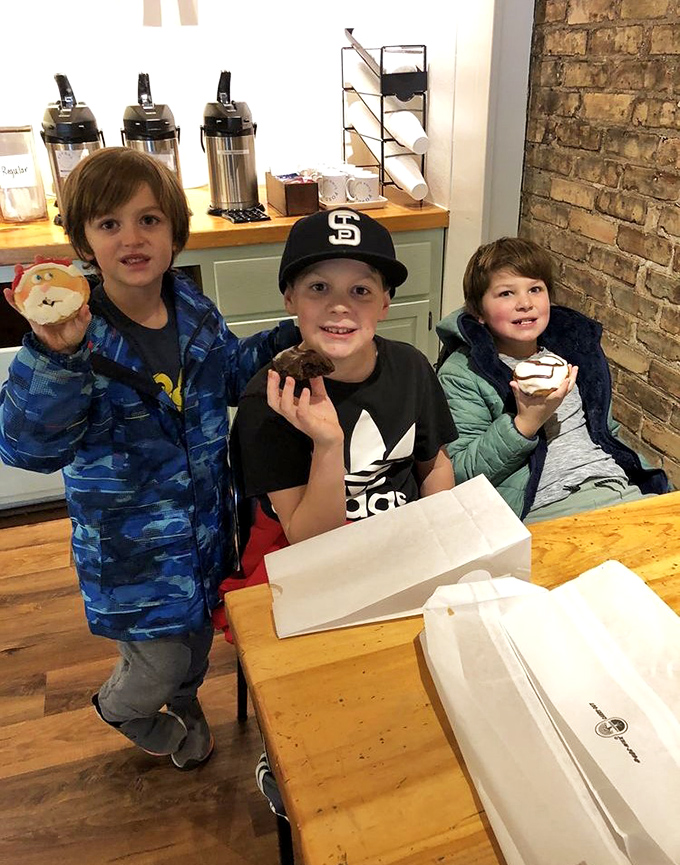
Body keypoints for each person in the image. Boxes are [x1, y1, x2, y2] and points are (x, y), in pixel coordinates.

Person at [0, 147, 300, 768]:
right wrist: (56, 359)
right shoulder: (72, 336)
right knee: (155, 665)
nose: (131, 238)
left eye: (149, 220)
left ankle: (185, 702)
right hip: (131, 556)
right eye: (109, 223)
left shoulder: (193, 310)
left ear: (174, 233)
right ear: (84, 240)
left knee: (194, 649)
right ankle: (124, 709)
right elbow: (27, 446)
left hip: (206, 535)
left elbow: (229, 374)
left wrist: (293, 334)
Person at [219, 207, 456, 593]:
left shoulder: (411, 367)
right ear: (290, 298)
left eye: (360, 291)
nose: (340, 306)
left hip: (403, 551)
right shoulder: (269, 399)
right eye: (319, 287)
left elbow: (434, 466)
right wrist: (328, 445)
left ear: (384, 303)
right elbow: (309, 540)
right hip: (314, 569)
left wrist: (439, 540)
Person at [436, 236, 669, 522]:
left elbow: (606, 433)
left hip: (617, 488)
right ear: (478, 311)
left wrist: (652, 483)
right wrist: (524, 424)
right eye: (506, 293)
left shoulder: (576, 352)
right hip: (547, 507)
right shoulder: (464, 373)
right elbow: (458, 474)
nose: (525, 303)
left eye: (535, 289)